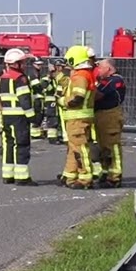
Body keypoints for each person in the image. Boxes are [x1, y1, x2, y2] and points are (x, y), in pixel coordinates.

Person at [0, 48, 38, 185]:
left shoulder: (3, 78)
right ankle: (22, 177)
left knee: (8, 145)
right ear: (16, 63)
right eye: (22, 62)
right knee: (21, 145)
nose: (24, 65)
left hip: (6, 116)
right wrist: (33, 117)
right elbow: (25, 100)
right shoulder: (20, 78)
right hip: (19, 117)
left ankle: (8, 175)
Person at [59, 45, 98, 189]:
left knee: (80, 149)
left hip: (77, 120)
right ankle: (70, 175)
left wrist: (62, 101)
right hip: (78, 119)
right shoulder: (85, 74)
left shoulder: (80, 76)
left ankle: (85, 178)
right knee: (74, 148)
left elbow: (77, 99)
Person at [94, 58, 127, 188]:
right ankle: (106, 172)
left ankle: (115, 177)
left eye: (100, 67)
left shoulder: (114, 80)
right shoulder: (104, 81)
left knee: (112, 146)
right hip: (101, 115)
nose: (98, 70)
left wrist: (88, 84)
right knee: (103, 146)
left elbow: (98, 95)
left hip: (110, 115)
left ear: (108, 69)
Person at [27, 59, 51, 140]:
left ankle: (36, 132)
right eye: (38, 64)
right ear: (33, 64)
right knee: (37, 115)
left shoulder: (37, 73)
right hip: (35, 98)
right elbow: (37, 87)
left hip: (39, 97)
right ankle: (35, 133)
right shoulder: (32, 74)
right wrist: (46, 80)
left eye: (40, 64)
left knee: (40, 115)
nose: (40, 66)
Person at [47, 61, 68, 145]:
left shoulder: (61, 76)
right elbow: (45, 85)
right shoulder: (54, 75)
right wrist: (50, 90)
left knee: (58, 119)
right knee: (53, 118)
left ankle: (60, 136)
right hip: (53, 99)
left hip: (58, 98)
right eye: (58, 66)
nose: (60, 68)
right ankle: (52, 138)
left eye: (61, 66)